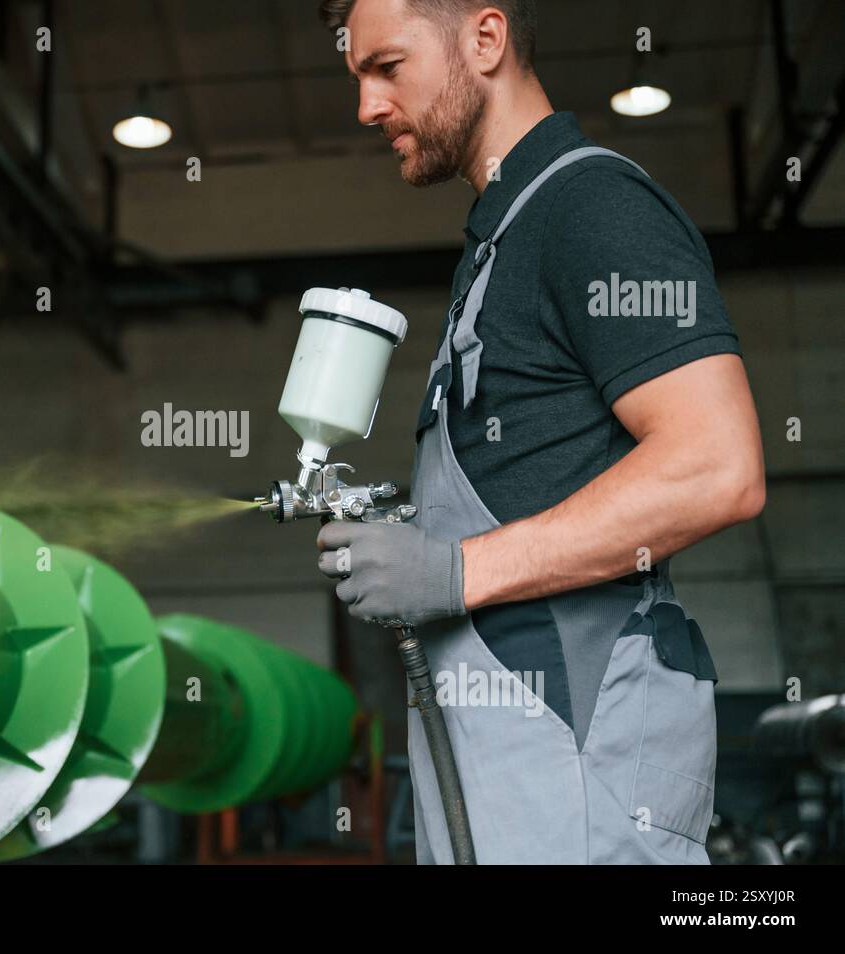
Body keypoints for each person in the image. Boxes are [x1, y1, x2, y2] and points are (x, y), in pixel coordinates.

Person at [313, 0, 765, 863]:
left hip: (576, 751)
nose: (366, 107)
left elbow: (718, 465)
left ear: (485, 38)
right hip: (507, 768)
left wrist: (454, 570)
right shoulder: (499, 247)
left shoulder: (591, 208)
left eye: (387, 68)